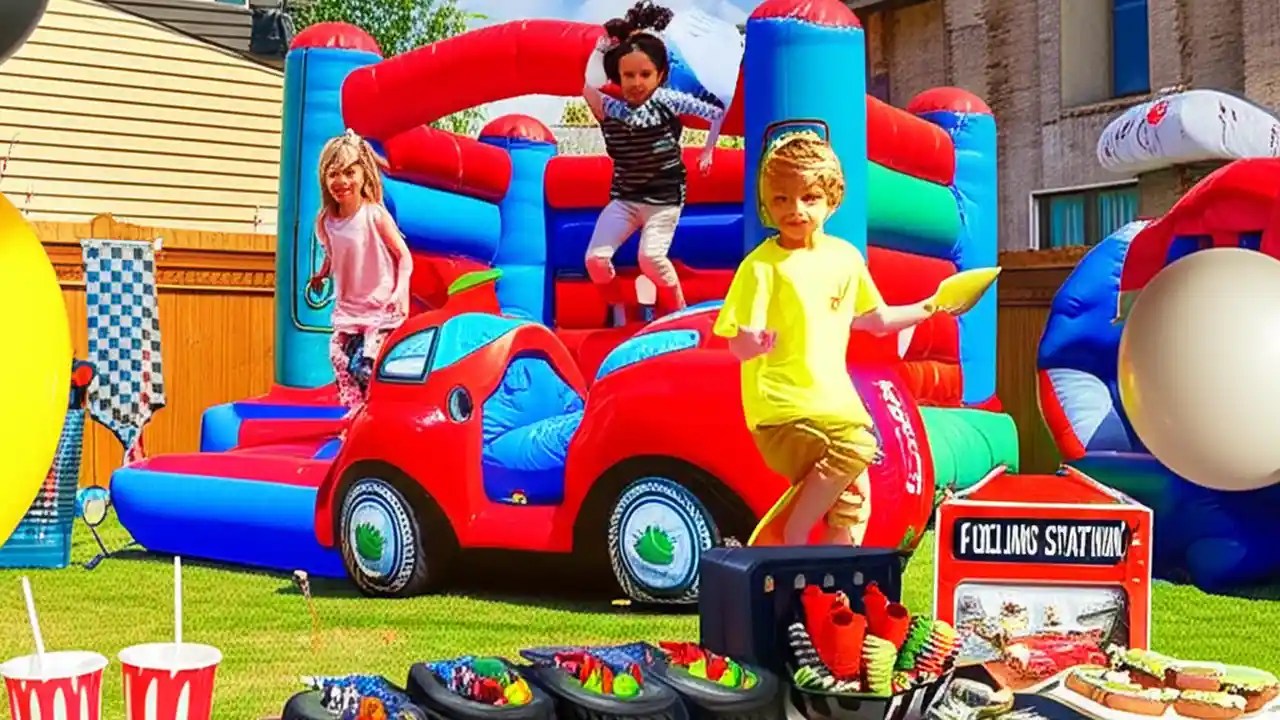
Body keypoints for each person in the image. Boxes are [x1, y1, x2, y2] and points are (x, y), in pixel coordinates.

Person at [713, 131, 956, 547]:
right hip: (783, 408)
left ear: (832, 199)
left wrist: (933, 306)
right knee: (858, 444)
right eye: (782, 200)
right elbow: (737, 342)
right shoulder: (761, 266)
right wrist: (752, 342)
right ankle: (792, 533)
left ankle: (835, 591)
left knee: (853, 501)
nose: (795, 210)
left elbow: (875, 319)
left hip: (835, 403)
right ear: (767, 203)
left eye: (809, 198)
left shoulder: (844, 258)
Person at [581, 0, 726, 326]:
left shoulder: (668, 100)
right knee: (595, 260)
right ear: (618, 76)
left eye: (645, 75)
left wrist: (709, 150)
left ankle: (678, 310)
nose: (636, 82)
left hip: (663, 201)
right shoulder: (611, 109)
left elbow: (715, 112)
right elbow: (587, 87)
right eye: (628, 75)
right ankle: (619, 308)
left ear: (660, 75)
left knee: (650, 257)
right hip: (626, 198)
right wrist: (601, 50)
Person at [308, 129, 413, 416]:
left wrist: (401, 287)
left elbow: (403, 256)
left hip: (380, 306)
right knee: (338, 357)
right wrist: (322, 274)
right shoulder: (327, 220)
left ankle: (375, 411)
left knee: (365, 365)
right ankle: (355, 409)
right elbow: (334, 252)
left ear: (364, 173)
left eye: (348, 173)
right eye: (333, 174)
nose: (341, 181)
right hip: (350, 307)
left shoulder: (374, 215)